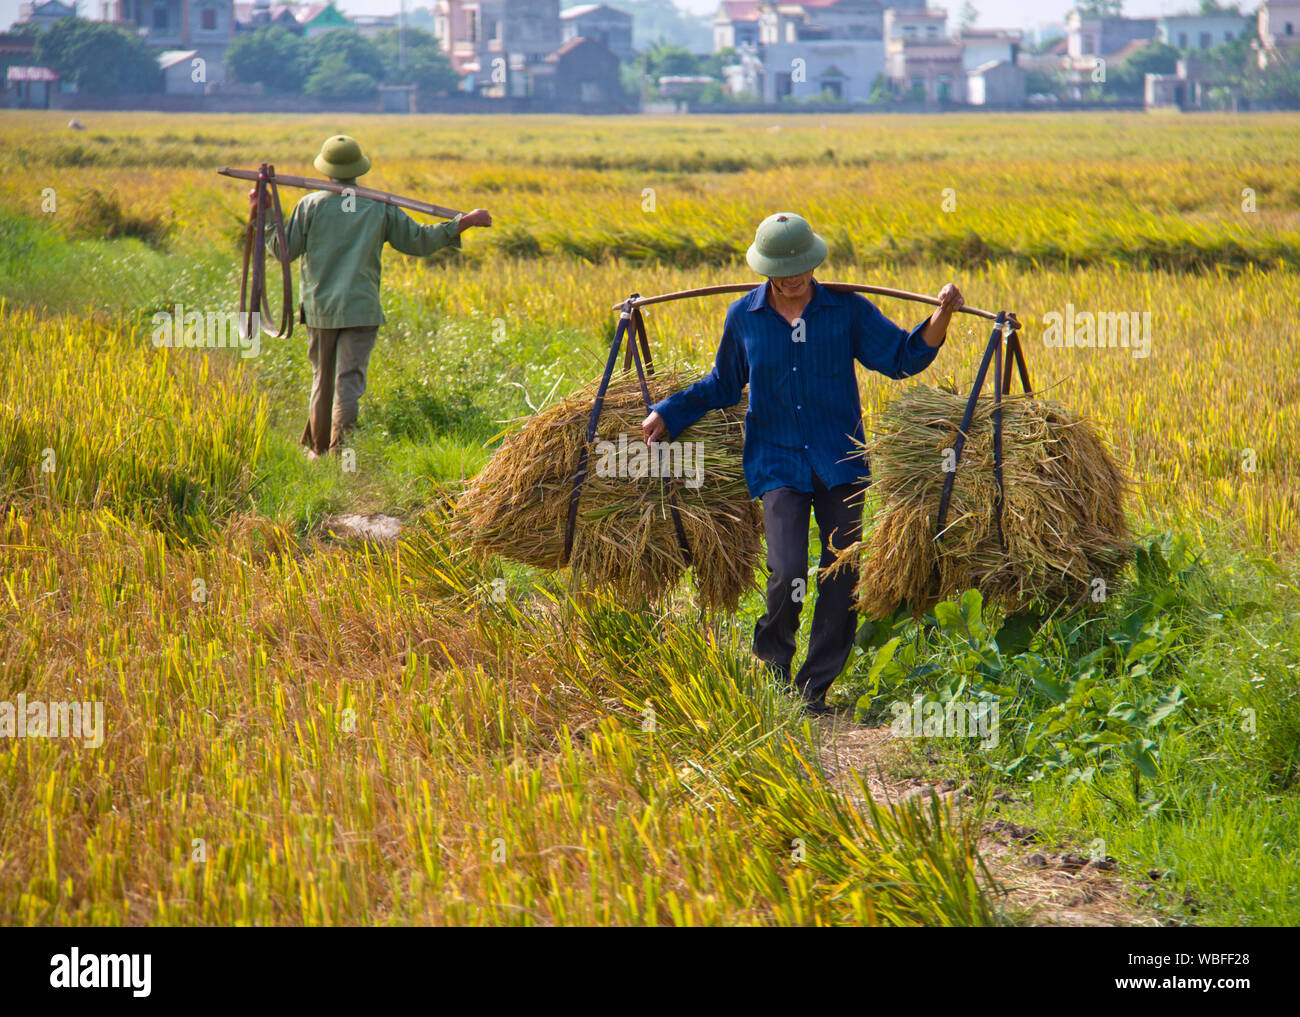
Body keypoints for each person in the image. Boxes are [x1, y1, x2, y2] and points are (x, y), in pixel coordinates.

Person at [641, 212, 963, 715]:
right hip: (777, 462)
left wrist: (943, 314)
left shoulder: (846, 310)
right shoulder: (744, 317)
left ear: (814, 263)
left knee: (841, 574)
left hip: (840, 460)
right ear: (764, 269)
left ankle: (815, 689)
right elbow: (723, 385)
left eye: (800, 270)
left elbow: (901, 358)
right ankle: (772, 671)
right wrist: (668, 411)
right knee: (787, 569)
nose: (792, 280)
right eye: (781, 272)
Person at [249, 135, 493, 458]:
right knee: (348, 382)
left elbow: (283, 250)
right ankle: (341, 454)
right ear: (357, 169)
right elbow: (418, 241)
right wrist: (461, 224)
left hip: (321, 309)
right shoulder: (378, 206)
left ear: (326, 170)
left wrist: (263, 214)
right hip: (361, 310)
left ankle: (319, 452)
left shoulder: (310, 206)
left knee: (322, 381)